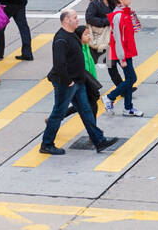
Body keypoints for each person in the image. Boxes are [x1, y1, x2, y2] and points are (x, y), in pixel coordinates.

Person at [39, 10, 117, 156]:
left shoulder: (72, 35)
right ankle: (47, 144)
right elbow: (59, 64)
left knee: (86, 111)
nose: (77, 20)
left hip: (78, 81)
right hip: (67, 83)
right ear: (66, 20)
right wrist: (68, 81)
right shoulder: (61, 39)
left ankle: (99, 141)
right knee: (58, 113)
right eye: (74, 18)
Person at [105, 0, 142, 116]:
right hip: (123, 54)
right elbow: (118, 39)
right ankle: (110, 97)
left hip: (127, 52)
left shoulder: (126, 13)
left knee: (129, 78)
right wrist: (122, 59)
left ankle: (128, 108)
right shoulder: (118, 16)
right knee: (132, 78)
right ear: (120, 0)